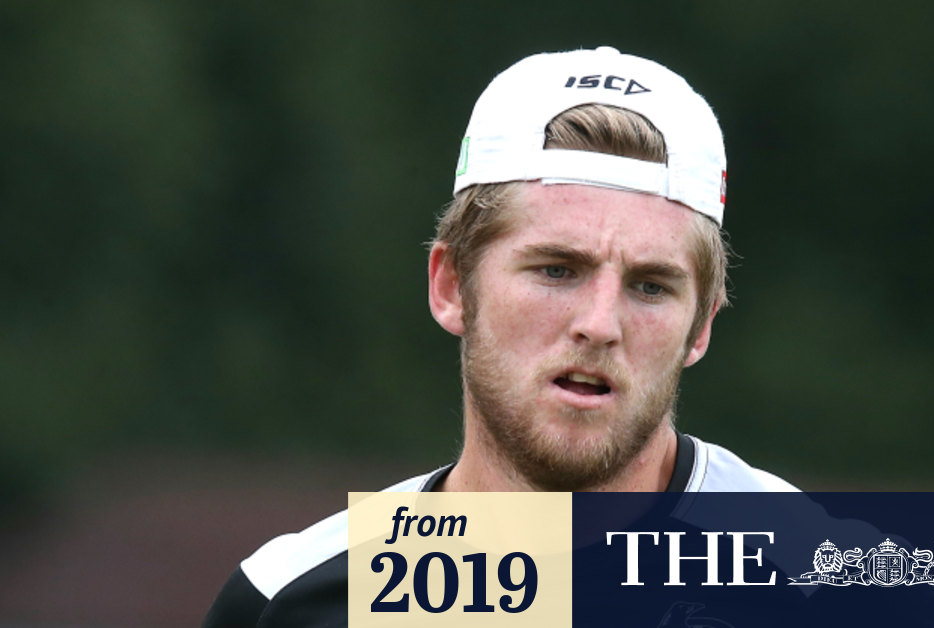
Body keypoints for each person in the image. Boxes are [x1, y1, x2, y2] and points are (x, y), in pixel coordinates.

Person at [202, 45, 798, 627]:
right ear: (452, 286)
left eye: (649, 286)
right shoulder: (291, 602)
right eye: (556, 270)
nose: (599, 323)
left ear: (701, 326)